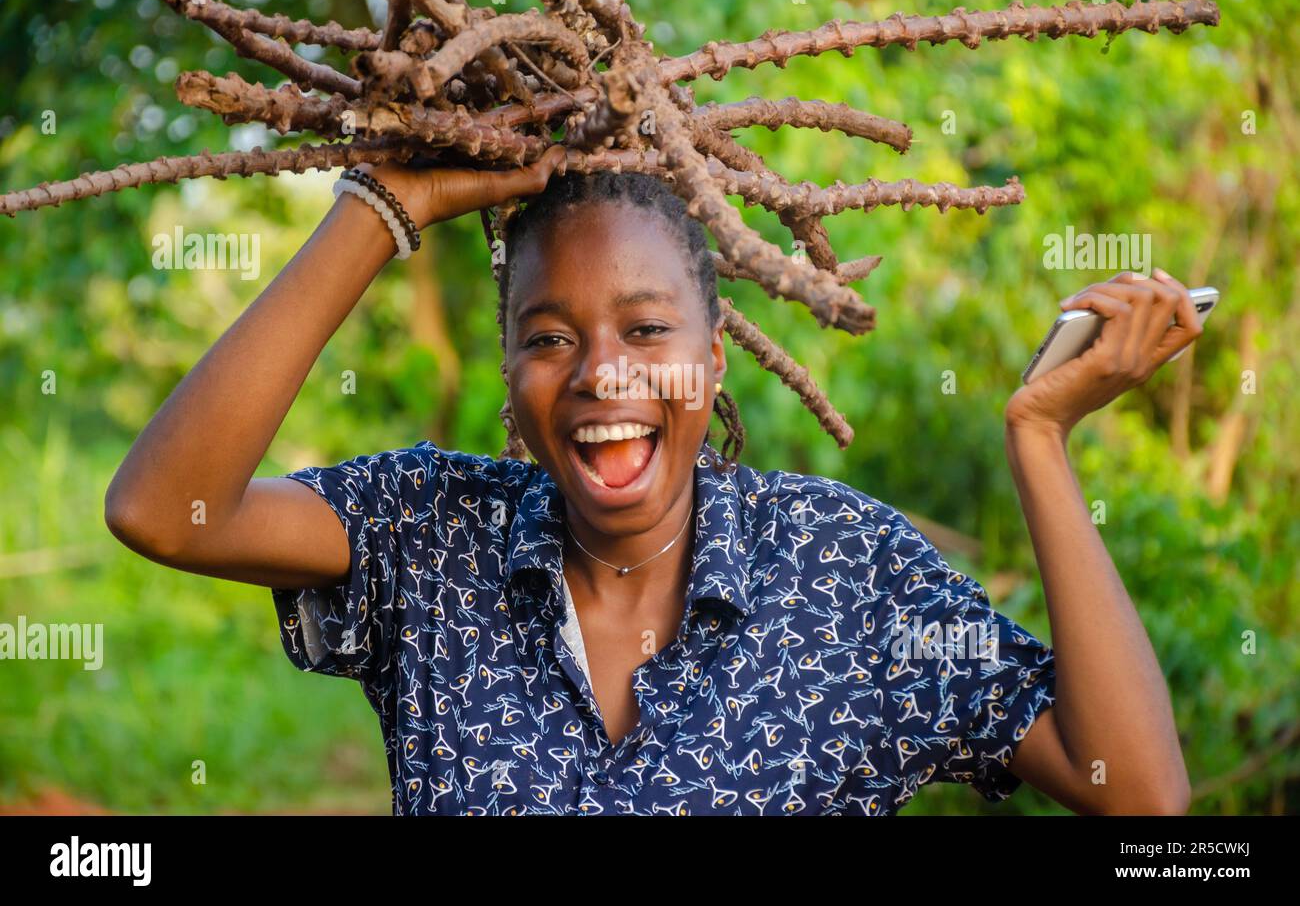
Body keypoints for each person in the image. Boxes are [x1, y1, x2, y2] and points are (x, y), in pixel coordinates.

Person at [105, 145, 1196, 815]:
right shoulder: (433, 534)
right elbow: (165, 512)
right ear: (509, 372)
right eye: (548, 337)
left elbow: (1135, 794)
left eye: (646, 328)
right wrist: (378, 208)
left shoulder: (843, 572)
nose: (601, 374)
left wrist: (1040, 441)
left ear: (713, 357)